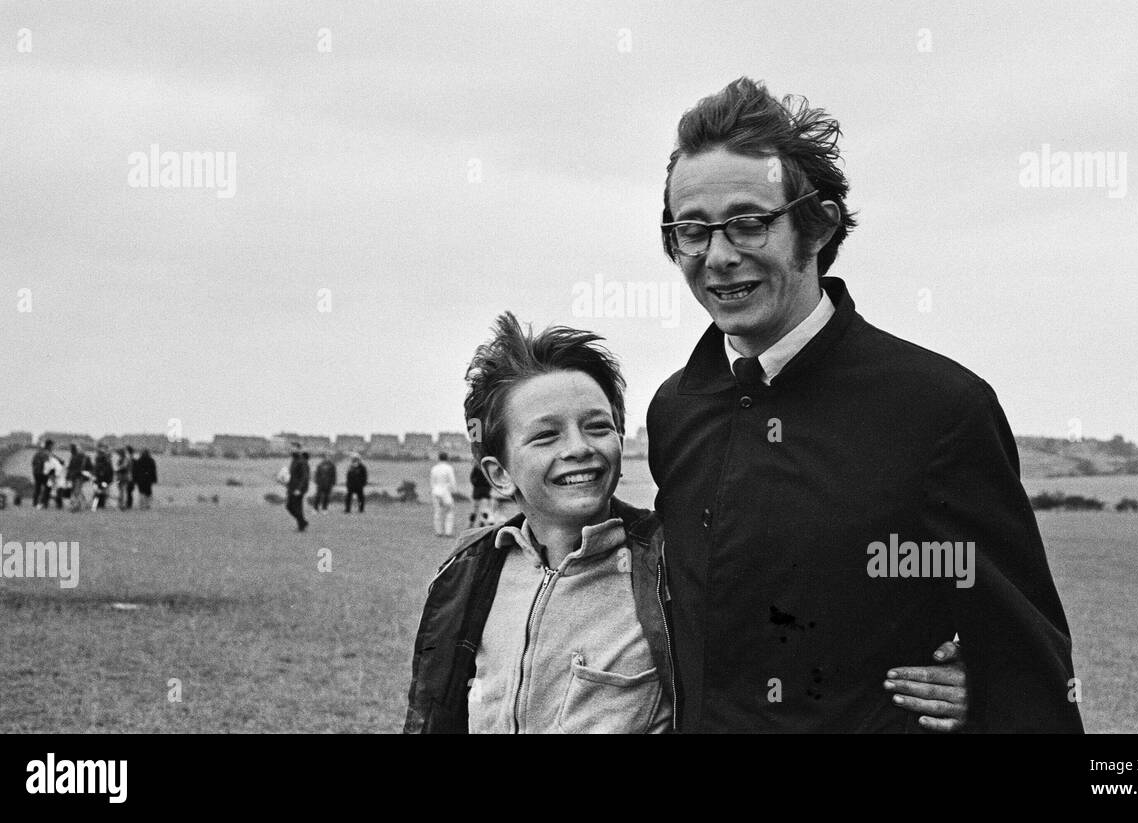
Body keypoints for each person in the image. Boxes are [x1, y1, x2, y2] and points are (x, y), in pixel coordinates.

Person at [647, 78, 1081, 732]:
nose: (718, 256)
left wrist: (985, 688)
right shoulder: (673, 411)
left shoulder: (939, 410)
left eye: (748, 222)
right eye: (692, 230)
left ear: (817, 225)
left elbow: (1030, 668)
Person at [404, 314, 965, 734]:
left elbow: (809, 630)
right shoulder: (468, 577)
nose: (579, 449)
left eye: (597, 427)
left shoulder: (675, 566)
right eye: (546, 435)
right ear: (499, 474)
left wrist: (967, 673)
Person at [428, 452, 458, 537]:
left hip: (435, 491)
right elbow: (452, 481)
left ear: (439, 458)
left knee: (438, 512)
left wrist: (432, 490)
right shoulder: (449, 468)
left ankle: (439, 532)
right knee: (449, 511)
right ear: (447, 458)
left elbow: (432, 481)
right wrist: (454, 491)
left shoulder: (434, 468)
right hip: (445, 491)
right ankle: (448, 532)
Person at [284, 450, 309, 531]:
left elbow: (304, 477)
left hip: (298, 489)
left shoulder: (301, 461)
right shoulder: (294, 461)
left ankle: (301, 525)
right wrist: (287, 485)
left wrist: (299, 489)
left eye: (293, 447)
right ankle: (302, 522)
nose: (291, 449)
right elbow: (292, 476)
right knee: (289, 506)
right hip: (292, 488)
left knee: (295, 507)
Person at [31, 438, 55, 509]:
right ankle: (44, 503)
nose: (53, 447)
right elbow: (47, 465)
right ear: (49, 445)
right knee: (48, 488)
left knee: (37, 488)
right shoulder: (47, 453)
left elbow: (33, 462)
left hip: (36, 472)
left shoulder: (38, 452)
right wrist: (50, 474)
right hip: (44, 473)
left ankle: (35, 503)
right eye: (52, 446)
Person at [65, 443, 89, 512]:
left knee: (76, 492)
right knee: (76, 492)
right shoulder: (76, 456)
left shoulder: (79, 457)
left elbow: (72, 468)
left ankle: (76, 507)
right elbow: (71, 468)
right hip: (75, 476)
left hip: (77, 477)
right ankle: (79, 506)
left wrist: (68, 477)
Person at [468, 462, 492, 528]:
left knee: (474, 509)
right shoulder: (487, 469)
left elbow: (472, 479)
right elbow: (491, 480)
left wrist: (476, 484)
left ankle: (471, 524)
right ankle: (483, 522)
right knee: (485, 509)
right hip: (485, 491)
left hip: (477, 491)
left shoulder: (476, 468)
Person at [91, 444, 115, 510]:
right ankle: (99, 506)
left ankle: (95, 507)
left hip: (100, 480)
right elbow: (109, 472)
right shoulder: (106, 463)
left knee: (98, 494)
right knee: (101, 493)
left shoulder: (100, 463)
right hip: (103, 480)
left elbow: (97, 471)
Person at [114, 445, 133, 510]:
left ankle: (122, 505)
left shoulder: (125, 459)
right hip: (123, 476)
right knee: (122, 491)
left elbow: (124, 466)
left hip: (122, 476)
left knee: (122, 491)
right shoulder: (125, 458)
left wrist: (117, 469)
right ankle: (121, 505)